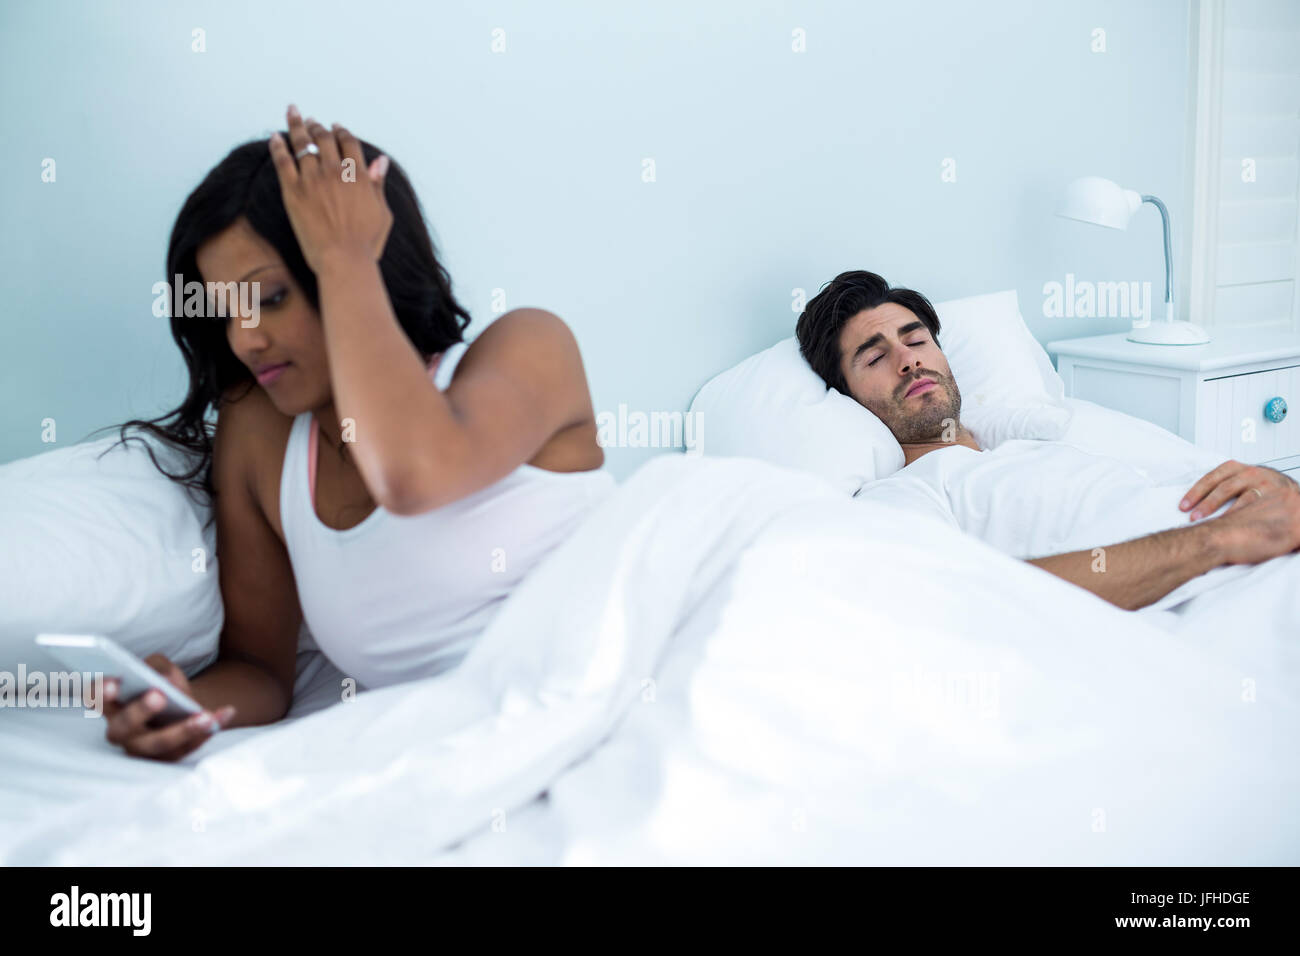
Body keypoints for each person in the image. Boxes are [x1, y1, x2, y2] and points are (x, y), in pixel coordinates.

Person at [93, 105, 614, 760]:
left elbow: (412, 474)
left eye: (270, 296)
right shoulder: (258, 435)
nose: (244, 338)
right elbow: (258, 669)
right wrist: (183, 709)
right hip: (449, 753)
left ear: (366, 258)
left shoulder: (530, 348)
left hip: (617, 699)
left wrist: (341, 253)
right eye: (228, 311)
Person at [795, 269, 1300, 611]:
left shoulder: (1044, 442)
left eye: (916, 339)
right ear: (849, 399)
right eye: (875, 356)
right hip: (1221, 588)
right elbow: (964, 604)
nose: (908, 360)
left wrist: (1275, 486)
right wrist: (1215, 541)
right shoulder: (906, 494)